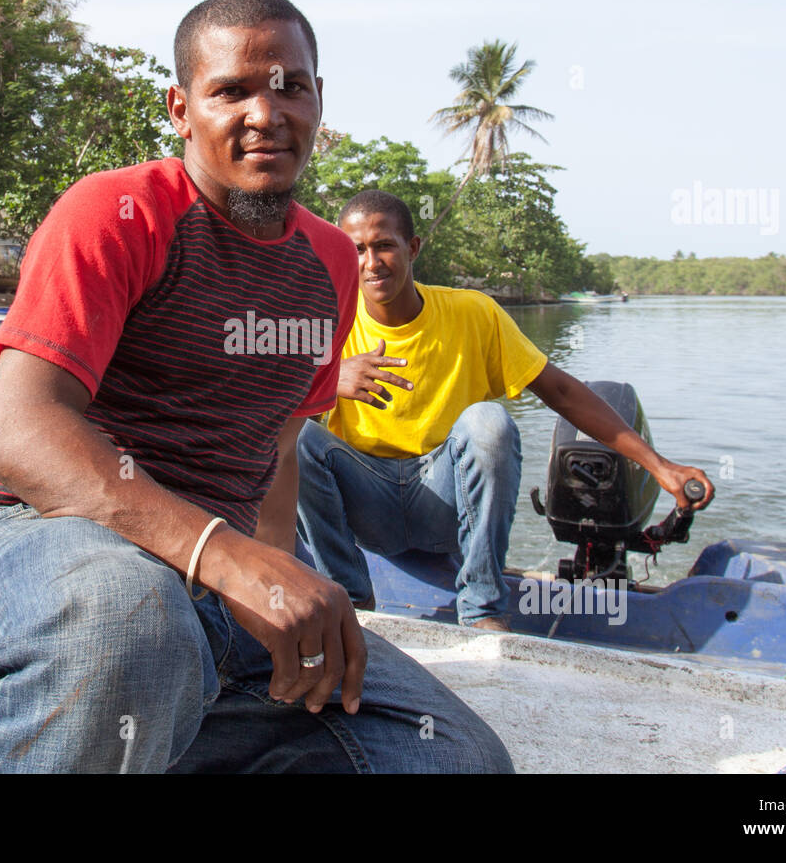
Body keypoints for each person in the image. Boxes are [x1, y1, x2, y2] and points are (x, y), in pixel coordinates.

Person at [0, 0, 513, 773]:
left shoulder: (327, 263)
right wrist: (223, 556)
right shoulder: (116, 213)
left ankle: (139, 717)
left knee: (457, 758)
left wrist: (279, 590)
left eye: (292, 85)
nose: (267, 112)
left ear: (320, 100)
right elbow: (18, 433)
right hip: (33, 545)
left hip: (205, 601)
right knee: (127, 619)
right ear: (182, 109)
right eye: (232, 91)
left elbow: (278, 455)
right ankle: (11, 683)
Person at [295, 189, 714, 629]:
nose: (371, 262)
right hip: (368, 508)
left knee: (488, 422)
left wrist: (661, 467)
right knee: (301, 433)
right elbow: (252, 403)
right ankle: (350, 604)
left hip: (443, 500)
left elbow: (563, 392)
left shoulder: (474, 313)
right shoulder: (324, 320)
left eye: (384, 246)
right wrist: (327, 377)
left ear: (412, 247)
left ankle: (481, 608)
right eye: (357, 249)